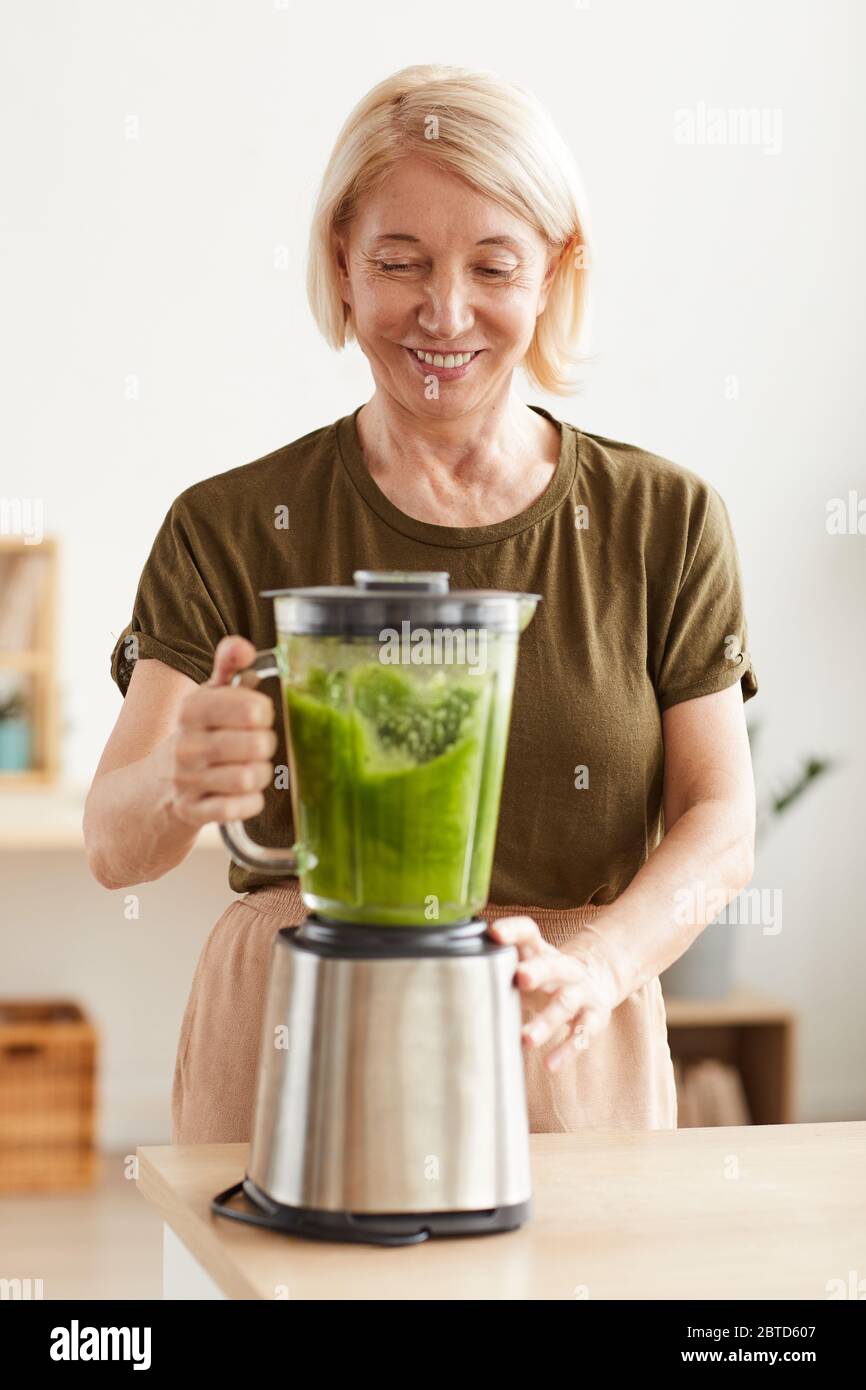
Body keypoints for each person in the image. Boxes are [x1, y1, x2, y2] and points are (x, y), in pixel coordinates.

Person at [84, 64, 758, 1144]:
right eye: (399, 262)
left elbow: (720, 824)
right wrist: (176, 779)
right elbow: (116, 845)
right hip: (292, 1024)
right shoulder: (227, 522)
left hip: (560, 1027)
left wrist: (599, 963)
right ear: (340, 266)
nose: (442, 313)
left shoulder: (661, 518)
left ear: (553, 271)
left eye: (492, 265)